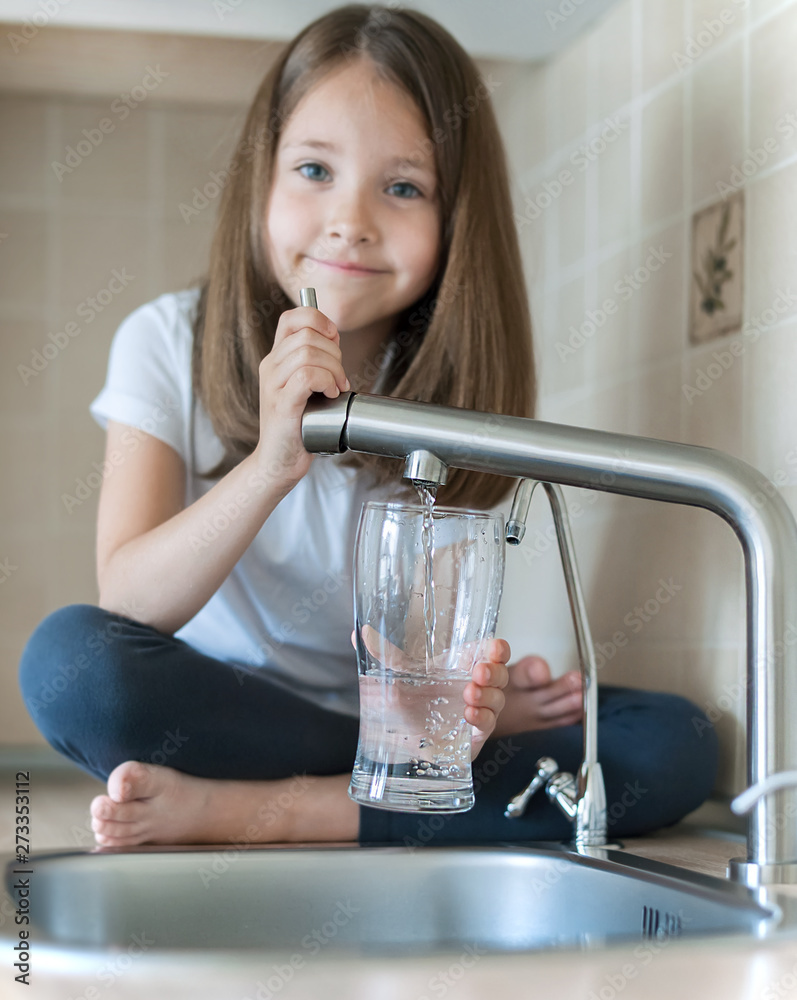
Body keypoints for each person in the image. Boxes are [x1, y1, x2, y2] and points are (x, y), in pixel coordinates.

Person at [18, 4, 717, 850]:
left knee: (675, 741)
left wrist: (466, 707)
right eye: (314, 170)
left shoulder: (446, 386)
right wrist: (272, 463)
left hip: (377, 727)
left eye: (402, 187)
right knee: (72, 667)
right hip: (216, 712)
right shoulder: (166, 340)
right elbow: (127, 600)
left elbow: (417, 665)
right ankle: (377, 796)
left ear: (456, 219)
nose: (350, 221)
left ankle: (267, 812)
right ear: (261, 181)